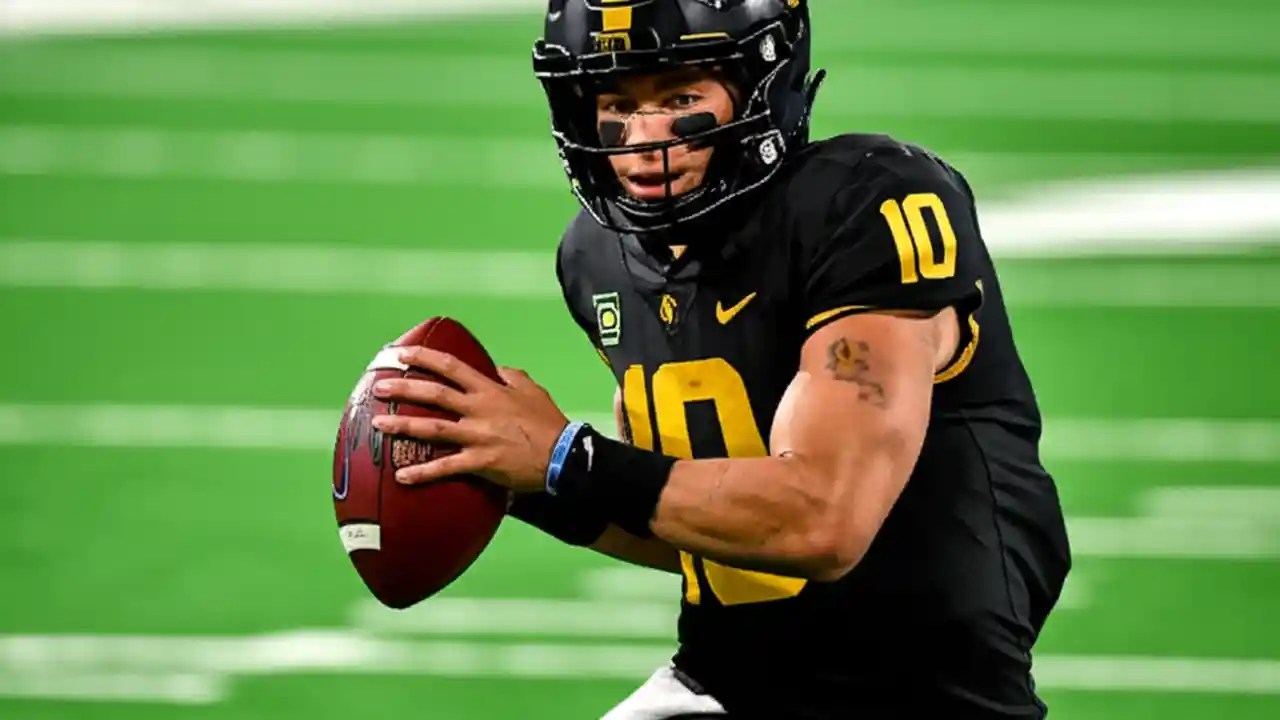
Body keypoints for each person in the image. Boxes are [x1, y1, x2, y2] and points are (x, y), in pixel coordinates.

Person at [370, 1, 1072, 717]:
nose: (644, 139)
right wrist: (510, 478)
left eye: (679, 97)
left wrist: (565, 459)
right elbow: (692, 529)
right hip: (726, 679)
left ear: (764, 83)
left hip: (921, 692)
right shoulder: (596, 255)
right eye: (617, 102)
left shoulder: (864, 204)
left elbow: (822, 521)